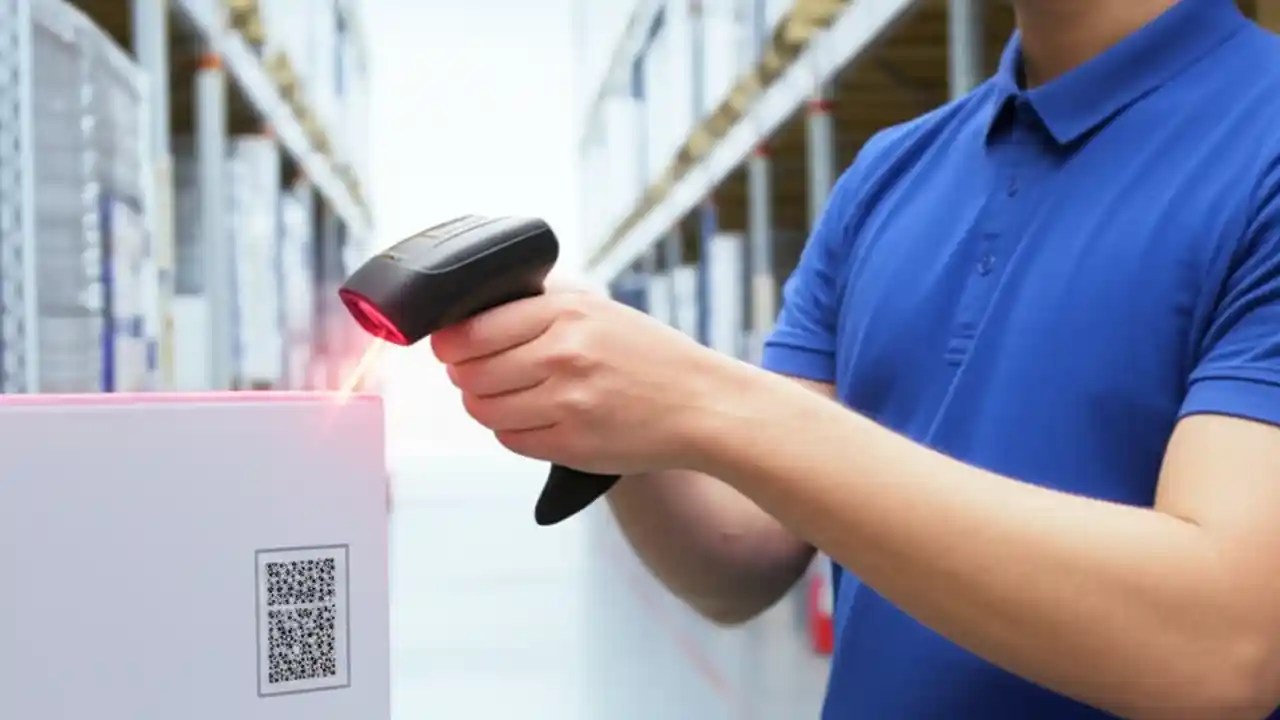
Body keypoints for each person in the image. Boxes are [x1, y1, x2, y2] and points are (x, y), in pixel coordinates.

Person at [430, 0, 1280, 716]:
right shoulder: (889, 173)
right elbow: (741, 556)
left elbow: (1220, 647)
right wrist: (605, 405)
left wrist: (702, 401)